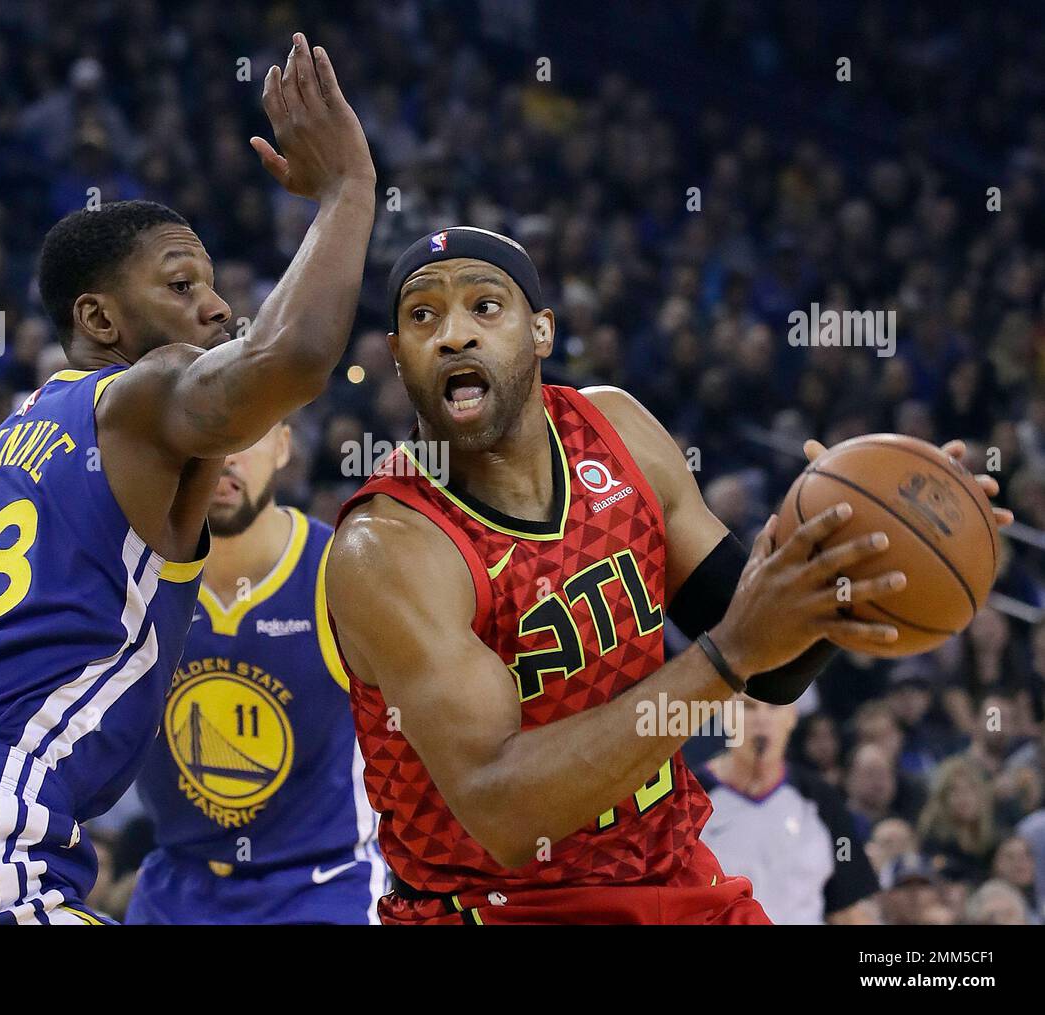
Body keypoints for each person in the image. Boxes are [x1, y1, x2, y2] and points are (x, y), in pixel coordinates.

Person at [0, 33, 376, 924]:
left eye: (213, 286)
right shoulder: (133, 399)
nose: (214, 305)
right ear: (99, 317)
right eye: (179, 284)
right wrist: (349, 192)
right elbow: (296, 355)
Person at [326, 226, 1008, 925]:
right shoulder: (389, 546)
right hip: (502, 906)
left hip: (673, 872)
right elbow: (504, 813)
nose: (454, 335)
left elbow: (773, 669)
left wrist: (850, 556)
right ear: (398, 356)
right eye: (423, 316)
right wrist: (727, 655)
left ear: (542, 332)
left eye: (485, 306)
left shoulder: (617, 430)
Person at [126, 423, 386, 924]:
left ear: (284, 446)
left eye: (243, 433)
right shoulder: (137, 578)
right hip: (178, 882)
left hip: (323, 885)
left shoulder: (344, 571)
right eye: (206, 433)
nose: (224, 457)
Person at [699, 696, 878, 924]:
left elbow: (846, 908)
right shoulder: (692, 798)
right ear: (724, 715)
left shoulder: (822, 800)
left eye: (774, 706)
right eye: (748, 707)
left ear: (791, 717)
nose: (761, 719)